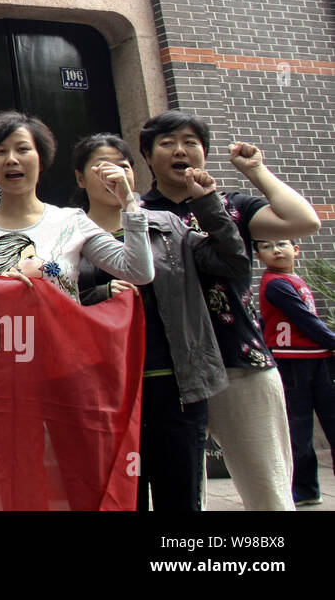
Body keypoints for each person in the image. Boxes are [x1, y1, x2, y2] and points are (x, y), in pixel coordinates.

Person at [138, 110, 320, 511]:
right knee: (181, 491)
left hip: (240, 360)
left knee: (267, 488)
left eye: (190, 142)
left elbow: (303, 221)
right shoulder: (135, 214)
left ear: (204, 153)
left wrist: (256, 171)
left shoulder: (233, 206)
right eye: (167, 143)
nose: (180, 150)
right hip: (172, 370)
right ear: (148, 157)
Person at [73, 134, 244, 511]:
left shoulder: (167, 225)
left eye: (124, 164)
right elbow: (55, 302)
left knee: (180, 498)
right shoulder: (68, 233)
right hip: (106, 391)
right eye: (102, 165)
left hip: (174, 383)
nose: (115, 173)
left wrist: (208, 202)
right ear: (80, 179)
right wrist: (97, 296)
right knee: (121, 499)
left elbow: (232, 263)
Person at [0, 111, 153, 298]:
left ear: (41, 159)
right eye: (0, 151)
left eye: (23, 149)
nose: (11, 159)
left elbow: (138, 272)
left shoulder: (71, 222)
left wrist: (128, 201)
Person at [257, 238, 335, 506]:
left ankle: (307, 489)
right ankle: (304, 489)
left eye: (282, 244)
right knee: (297, 429)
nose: (276, 250)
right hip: (292, 363)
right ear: (258, 256)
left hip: (318, 361)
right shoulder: (276, 283)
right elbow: (306, 320)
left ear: (296, 249)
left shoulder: (292, 279)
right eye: (267, 246)